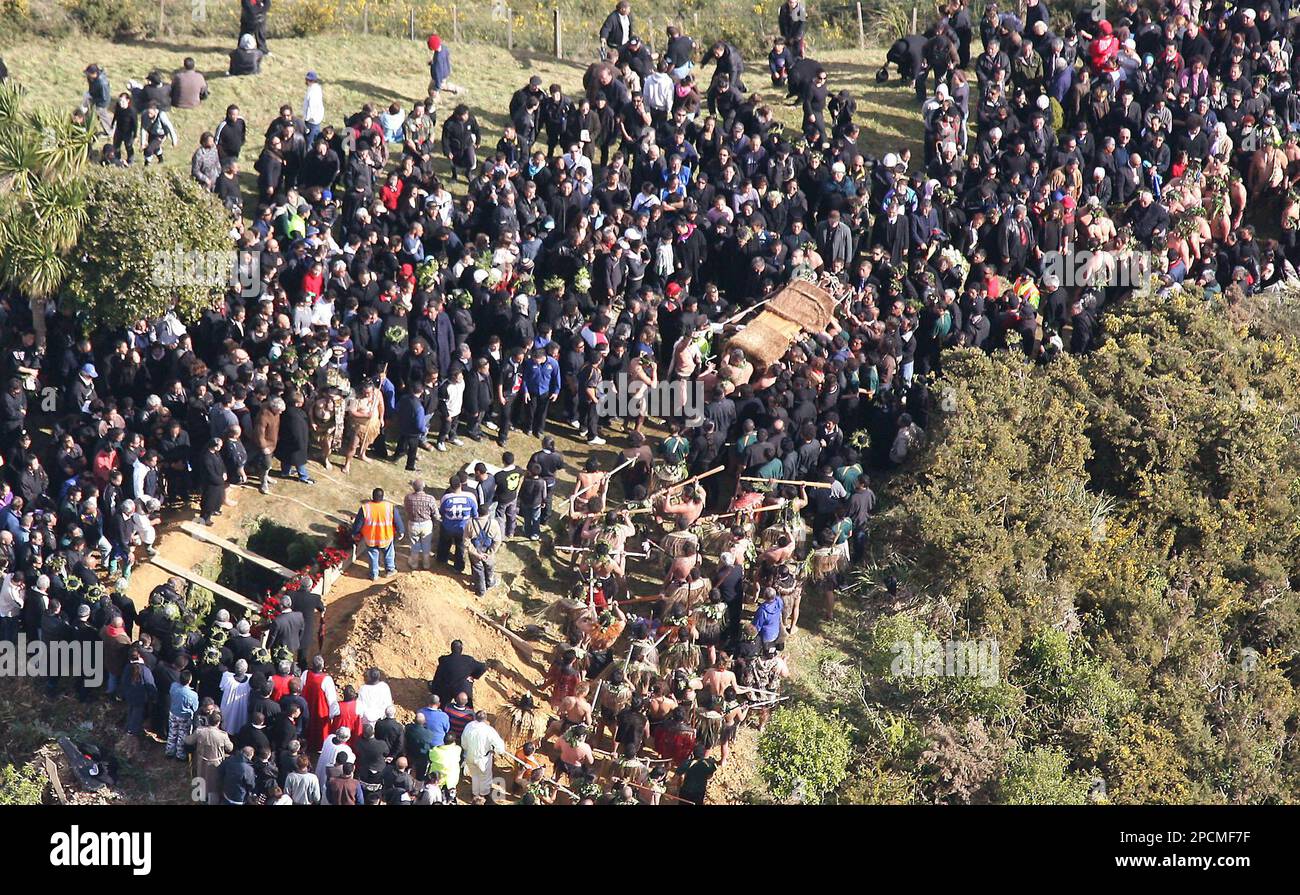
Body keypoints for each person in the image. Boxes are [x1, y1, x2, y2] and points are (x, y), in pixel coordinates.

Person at [353, 487, 407, 580]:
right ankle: (390, 570)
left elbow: (358, 523)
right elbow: (398, 521)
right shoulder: (389, 507)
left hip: (371, 538)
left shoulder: (365, 508)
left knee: (373, 556)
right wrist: (401, 531)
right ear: (383, 497)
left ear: (372, 497)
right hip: (386, 536)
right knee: (389, 553)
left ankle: (374, 574)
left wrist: (355, 533)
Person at [461, 709, 507, 801]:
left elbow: (464, 743)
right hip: (483, 759)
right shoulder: (488, 730)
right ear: (485, 719)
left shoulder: (468, 726)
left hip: (470, 756)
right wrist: (497, 751)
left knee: (475, 776)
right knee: (485, 778)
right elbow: (499, 746)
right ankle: (483, 795)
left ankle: (475, 794)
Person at [429, 640, 487, 708]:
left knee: (442, 705)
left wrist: (434, 688)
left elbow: (438, 677)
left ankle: (442, 708)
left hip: (445, 689)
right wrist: (473, 676)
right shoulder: (468, 660)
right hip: (461, 689)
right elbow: (483, 667)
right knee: (467, 703)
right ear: (461, 649)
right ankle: (468, 712)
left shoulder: (443, 660)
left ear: (451, 648)